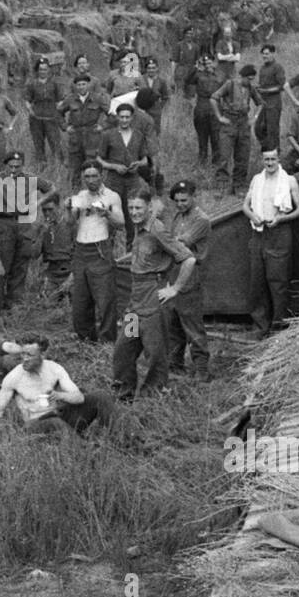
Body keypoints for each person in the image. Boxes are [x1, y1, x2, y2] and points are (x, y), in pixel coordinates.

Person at [112, 191, 195, 400]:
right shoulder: (139, 229)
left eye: (138, 208)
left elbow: (188, 259)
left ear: (149, 207)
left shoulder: (157, 229)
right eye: (130, 208)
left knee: (155, 351)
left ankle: (153, 395)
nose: (134, 212)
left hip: (152, 296)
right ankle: (124, 393)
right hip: (135, 300)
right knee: (124, 347)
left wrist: (174, 288)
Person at [0, 333, 116, 435]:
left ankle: (123, 440)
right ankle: (85, 452)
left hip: (58, 414)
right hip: (35, 424)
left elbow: (79, 398)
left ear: (42, 355)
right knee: (55, 423)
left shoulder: (54, 369)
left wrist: (59, 396)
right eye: (22, 354)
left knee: (101, 397)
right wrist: (0, 433)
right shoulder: (14, 377)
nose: (25, 358)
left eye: (30, 355)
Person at [242, 147, 299, 338]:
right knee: (257, 282)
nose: (269, 163)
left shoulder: (289, 181)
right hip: (258, 234)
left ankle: (278, 327)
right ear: (263, 160)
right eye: (266, 160)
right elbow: (245, 205)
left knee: (278, 283)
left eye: (273, 159)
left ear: (279, 160)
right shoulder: (257, 180)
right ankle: (260, 326)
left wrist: (280, 219)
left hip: (279, 233)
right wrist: (253, 216)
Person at [0, 150, 57, 310]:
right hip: (4, 223)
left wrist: (39, 203)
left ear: (22, 166)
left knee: (20, 266)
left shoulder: (30, 179)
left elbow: (52, 189)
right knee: (2, 266)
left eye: (17, 167)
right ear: (5, 165)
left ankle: (14, 305)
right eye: (11, 166)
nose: (14, 170)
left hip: (24, 223)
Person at [69, 162, 124, 343]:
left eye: (94, 176)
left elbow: (121, 223)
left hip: (100, 249)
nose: (91, 180)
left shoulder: (111, 196)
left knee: (105, 299)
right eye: (87, 176)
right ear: (82, 178)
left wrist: (105, 213)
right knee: (80, 301)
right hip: (80, 250)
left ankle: (108, 341)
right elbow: (70, 222)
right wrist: (68, 208)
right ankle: (85, 339)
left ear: (101, 176)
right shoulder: (81, 196)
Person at [163, 179, 211, 379]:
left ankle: (201, 369)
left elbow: (180, 242)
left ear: (193, 197)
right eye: (177, 200)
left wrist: (161, 240)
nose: (181, 203)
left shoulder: (201, 219)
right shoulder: (177, 216)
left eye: (184, 200)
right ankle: (175, 363)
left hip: (190, 274)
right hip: (174, 272)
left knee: (192, 326)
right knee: (174, 323)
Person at [96, 103, 152, 244]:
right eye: (122, 117)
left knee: (132, 214)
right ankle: (108, 246)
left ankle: (131, 249)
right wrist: (114, 166)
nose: (124, 120)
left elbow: (145, 159)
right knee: (111, 213)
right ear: (117, 118)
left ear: (132, 118)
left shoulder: (138, 135)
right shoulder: (108, 135)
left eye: (127, 117)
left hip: (132, 181)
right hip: (113, 181)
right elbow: (99, 158)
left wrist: (138, 164)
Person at [212, 65, 261, 195]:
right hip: (229, 122)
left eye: (252, 79)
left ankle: (238, 185)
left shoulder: (250, 88)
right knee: (224, 155)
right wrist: (219, 117)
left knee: (243, 156)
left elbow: (260, 103)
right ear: (242, 76)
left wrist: (254, 118)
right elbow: (214, 98)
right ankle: (221, 185)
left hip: (244, 123)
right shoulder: (230, 84)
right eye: (249, 79)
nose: (250, 82)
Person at [58, 71, 108, 186]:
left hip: (92, 137)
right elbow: (58, 114)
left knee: (92, 166)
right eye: (79, 85)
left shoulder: (98, 98)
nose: (81, 87)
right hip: (76, 137)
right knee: (74, 167)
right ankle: (76, 192)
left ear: (88, 85)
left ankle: (94, 190)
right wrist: (65, 127)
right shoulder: (70, 99)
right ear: (75, 86)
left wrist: (103, 126)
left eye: (84, 84)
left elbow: (112, 114)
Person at [23, 57, 63, 167]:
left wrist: (58, 113)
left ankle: (58, 166)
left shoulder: (54, 83)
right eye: (41, 69)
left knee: (55, 143)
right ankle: (42, 165)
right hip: (36, 118)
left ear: (49, 70)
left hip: (51, 118)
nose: (43, 71)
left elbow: (59, 101)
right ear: (37, 70)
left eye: (45, 69)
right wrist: (30, 110)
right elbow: (27, 100)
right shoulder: (32, 84)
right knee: (38, 143)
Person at [186, 53, 223, 169]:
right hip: (201, 108)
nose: (207, 65)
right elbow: (188, 81)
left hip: (215, 109)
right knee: (202, 139)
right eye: (205, 63)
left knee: (216, 138)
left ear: (214, 62)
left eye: (209, 62)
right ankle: (202, 164)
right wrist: (196, 67)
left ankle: (216, 165)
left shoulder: (220, 75)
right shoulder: (198, 75)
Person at [36, 197, 74, 296]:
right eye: (44, 210)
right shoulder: (42, 228)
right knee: (46, 302)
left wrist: (72, 276)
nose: (47, 213)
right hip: (52, 271)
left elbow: (81, 254)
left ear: (58, 208)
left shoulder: (69, 224)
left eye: (50, 209)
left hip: (70, 270)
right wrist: (41, 234)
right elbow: (34, 255)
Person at [255, 43, 287, 151]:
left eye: (267, 54)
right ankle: (267, 147)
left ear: (273, 54)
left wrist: (266, 90)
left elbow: (282, 86)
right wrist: (257, 88)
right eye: (263, 54)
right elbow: (261, 84)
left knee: (272, 129)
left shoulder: (277, 67)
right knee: (258, 128)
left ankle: (274, 152)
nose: (264, 56)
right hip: (264, 102)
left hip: (274, 102)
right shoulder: (263, 68)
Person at [141, 57, 170, 135]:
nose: (151, 70)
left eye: (153, 68)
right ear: (146, 69)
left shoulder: (161, 81)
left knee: (155, 133)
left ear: (157, 68)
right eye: (149, 68)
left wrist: (159, 107)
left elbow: (165, 97)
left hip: (155, 112)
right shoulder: (140, 79)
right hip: (142, 111)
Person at [212, 15, 240, 81]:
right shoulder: (219, 43)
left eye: (229, 33)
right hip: (221, 70)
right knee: (220, 86)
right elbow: (219, 57)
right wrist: (231, 56)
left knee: (232, 86)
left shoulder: (236, 44)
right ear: (223, 34)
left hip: (232, 70)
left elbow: (237, 58)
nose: (228, 34)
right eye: (226, 33)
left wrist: (225, 57)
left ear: (232, 34)